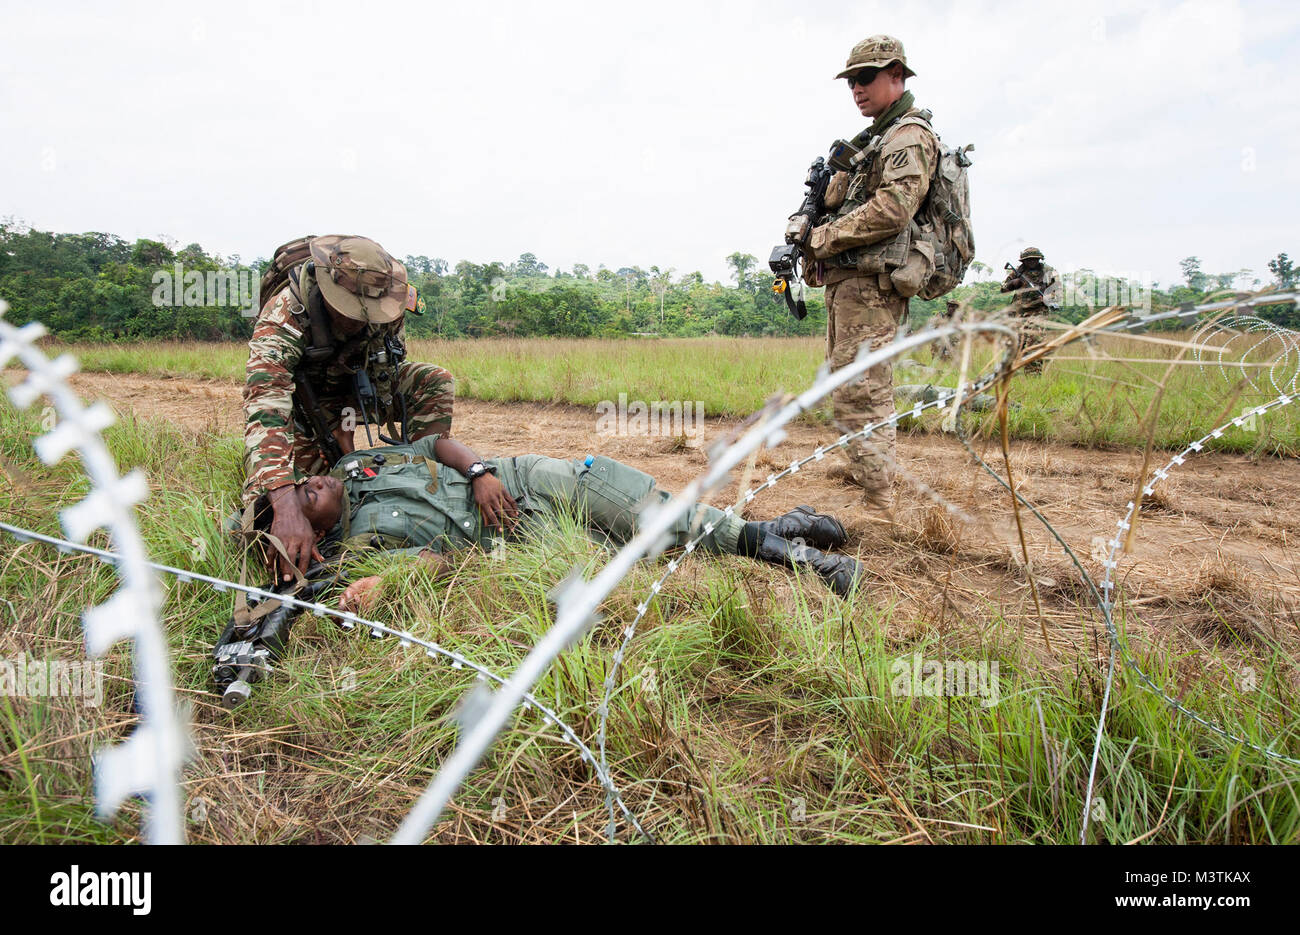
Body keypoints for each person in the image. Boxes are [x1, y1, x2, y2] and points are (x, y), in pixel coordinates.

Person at [251, 435, 864, 609]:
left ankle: (802, 560)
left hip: (522, 481)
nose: (308, 485)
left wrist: (481, 471)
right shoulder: (359, 546)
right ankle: (785, 524)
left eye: (301, 485)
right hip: (519, 535)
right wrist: (388, 583)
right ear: (314, 538)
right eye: (303, 503)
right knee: (653, 547)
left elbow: (436, 446)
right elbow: (434, 561)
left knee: (648, 513)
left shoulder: (354, 463)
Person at [243, 235, 470, 582]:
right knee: (294, 505)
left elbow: (391, 362)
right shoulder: (284, 314)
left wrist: (354, 425)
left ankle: (424, 475)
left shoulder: (391, 296)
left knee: (434, 380)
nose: (363, 317)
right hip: (304, 399)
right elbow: (266, 405)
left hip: (358, 384)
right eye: (352, 307)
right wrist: (284, 499)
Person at [802, 35, 940, 510]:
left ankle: (880, 504)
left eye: (865, 78)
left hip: (873, 290)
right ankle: (868, 484)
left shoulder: (908, 136)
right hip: (852, 286)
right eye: (851, 81)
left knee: (863, 392)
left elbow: (893, 209)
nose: (856, 89)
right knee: (849, 385)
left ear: (896, 75)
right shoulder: (875, 140)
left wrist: (823, 238)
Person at [1000, 246, 1060, 374]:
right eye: (1028, 260)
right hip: (1018, 312)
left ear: (1039, 260)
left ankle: (1033, 374)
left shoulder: (1049, 272)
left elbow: (1058, 292)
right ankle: (1011, 373)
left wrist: (1048, 296)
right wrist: (1013, 284)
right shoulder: (1017, 272)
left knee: (1035, 342)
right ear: (1023, 261)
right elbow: (1003, 289)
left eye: (1034, 259)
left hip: (1039, 312)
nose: (1032, 262)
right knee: (1015, 344)